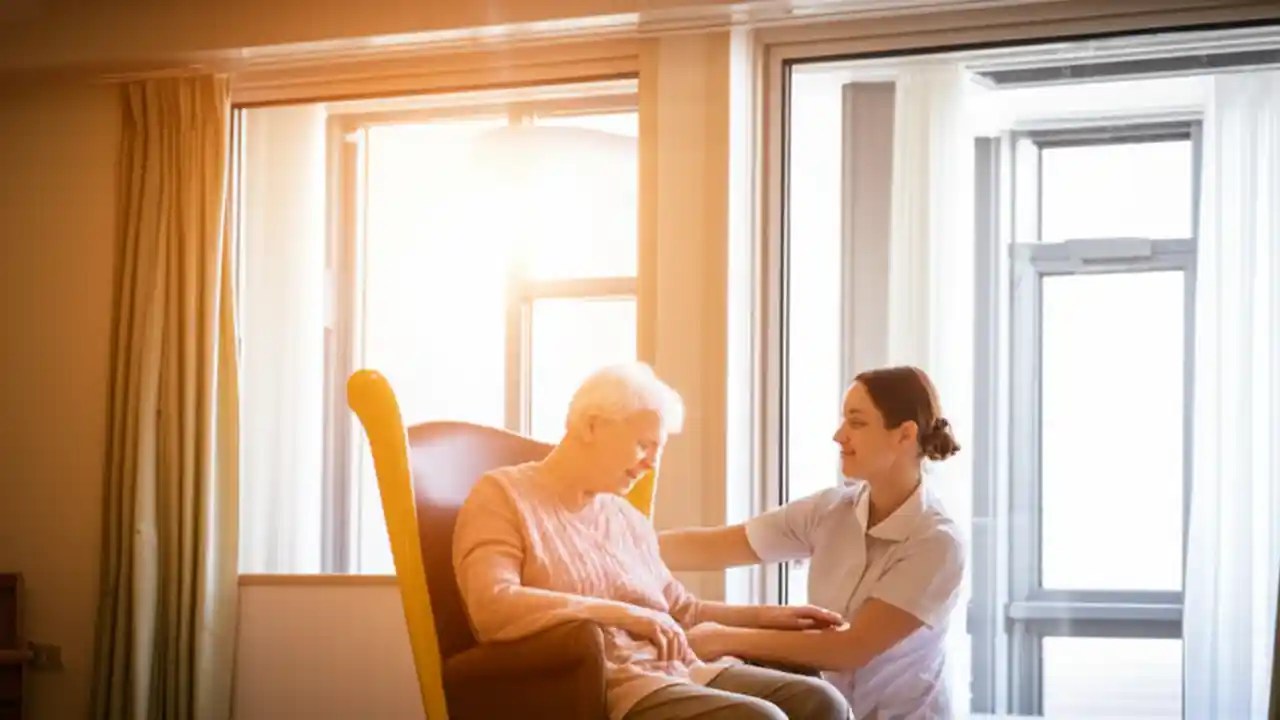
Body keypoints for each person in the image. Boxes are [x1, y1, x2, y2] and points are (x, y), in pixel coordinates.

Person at [452, 362, 852, 720]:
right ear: (591, 425)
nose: (651, 464)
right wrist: (624, 614)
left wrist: (771, 616)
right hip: (610, 685)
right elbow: (493, 605)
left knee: (822, 703)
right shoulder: (503, 496)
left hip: (681, 669)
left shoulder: (626, 518)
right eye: (644, 444)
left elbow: (682, 610)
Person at [659, 365, 966, 720]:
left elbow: (851, 648)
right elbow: (718, 546)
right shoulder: (830, 510)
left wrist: (722, 637)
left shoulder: (937, 543)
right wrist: (618, 539)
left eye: (857, 422)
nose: (839, 435)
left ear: (904, 435)